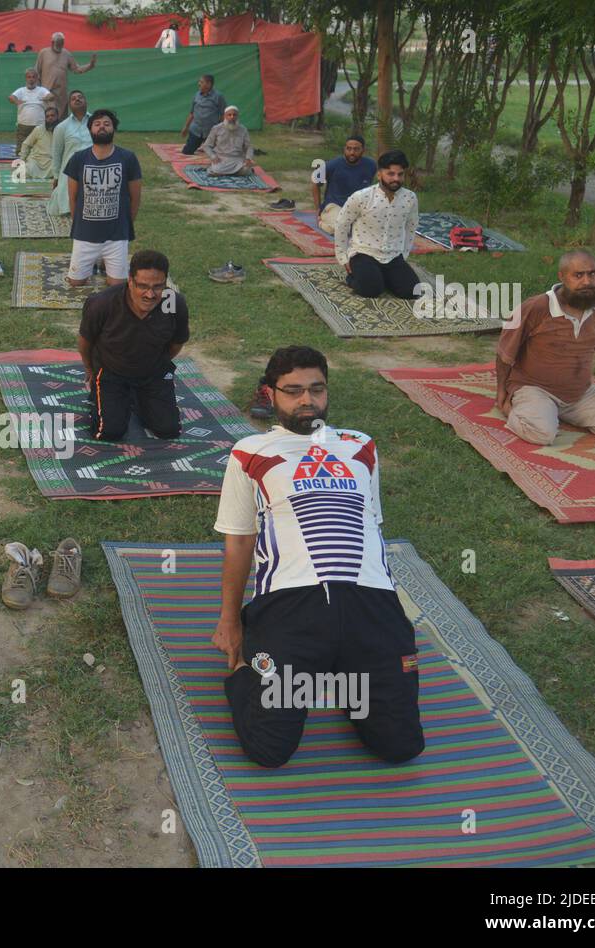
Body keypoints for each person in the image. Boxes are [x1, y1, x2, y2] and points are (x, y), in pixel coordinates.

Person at [211, 345, 425, 769]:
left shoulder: (361, 446)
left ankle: (344, 671)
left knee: (401, 746)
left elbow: (372, 526)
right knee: (269, 749)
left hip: (372, 603)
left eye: (316, 389)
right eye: (293, 391)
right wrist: (230, 620)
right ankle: (244, 673)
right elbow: (238, 541)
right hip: (292, 606)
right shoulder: (249, 452)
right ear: (269, 395)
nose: (307, 400)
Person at [495, 249, 595, 447]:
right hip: (535, 388)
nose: (586, 281)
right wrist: (501, 391)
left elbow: (590, 351)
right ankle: (519, 411)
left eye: (591, 274)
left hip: (579, 393)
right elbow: (504, 353)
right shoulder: (535, 307)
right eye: (578, 275)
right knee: (542, 435)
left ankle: (555, 412)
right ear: (562, 276)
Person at [78, 249, 187, 442]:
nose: (150, 294)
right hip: (111, 372)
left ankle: (138, 398)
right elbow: (86, 340)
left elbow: (177, 342)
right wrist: (89, 368)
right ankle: (102, 396)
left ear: (166, 283)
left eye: (158, 286)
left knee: (168, 430)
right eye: (142, 286)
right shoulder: (103, 303)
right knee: (109, 432)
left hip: (153, 373)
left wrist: (155, 362)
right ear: (130, 281)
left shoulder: (173, 303)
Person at [64, 108, 142, 286]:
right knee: (76, 283)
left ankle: (105, 262)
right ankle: (94, 262)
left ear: (113, 129)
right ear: (90, 130)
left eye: (107, 124)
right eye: (97, 124)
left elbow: (135, 197)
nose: (102, 127)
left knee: (118, 286)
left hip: (116, 235)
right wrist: (79, 226)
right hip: (85, 234)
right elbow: (73, 197)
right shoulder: (78, 158)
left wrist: (126, 224)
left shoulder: (128, 158)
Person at [333, 149, 420, 300]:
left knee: (413, 291)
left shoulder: (410, 198)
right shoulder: (362, 197)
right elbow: (342, 224)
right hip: (364, 252)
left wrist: (403, 254)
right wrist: (343, 257)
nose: (396, 179)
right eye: (390, 174)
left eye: (400, 174)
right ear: (379, 174)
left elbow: (411, 227)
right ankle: (354, 278)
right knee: (371, 290)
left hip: (393, 255)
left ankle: (382, 277)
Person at [314, 134, 376, 232]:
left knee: (377, 228)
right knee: (339, 229)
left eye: (356, 149)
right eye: (349, 148)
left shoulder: (371, 165)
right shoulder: (332, 165)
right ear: (344, 149)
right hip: (335, 206)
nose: (352, 152)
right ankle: (322, 223)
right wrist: (318, 208)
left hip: (358, 208)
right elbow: (315, 183)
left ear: (363, 150)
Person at [46, 89, 91, 217]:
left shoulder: (96, 122)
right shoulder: (62, 127)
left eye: (80, 97)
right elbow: (56, 153)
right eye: (73, 98)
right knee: (65, 202)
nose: (77, 99)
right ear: (69, 105)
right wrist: (56, 176)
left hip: (93, 167)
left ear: (86, 101)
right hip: (71, 170)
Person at [35, 32, 96, 118]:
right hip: (47, 93)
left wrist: (90, 65)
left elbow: (77, 69)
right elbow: (36, 72)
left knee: (61, 119)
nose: (60, 47)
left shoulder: (66, 54)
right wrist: (38, 91)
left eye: (61, 44)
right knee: (50, 117)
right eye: (58, 44)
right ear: (52, 43)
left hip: (61, 94)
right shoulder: (43, 53)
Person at [201, 104, 255, 176]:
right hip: (221, 159)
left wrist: (248, 158)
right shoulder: (216, 128)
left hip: (237, 159)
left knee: (245, 171)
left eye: (234, 115)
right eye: (229, 115)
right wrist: (213, 157)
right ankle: (214, 168)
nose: (232, 117)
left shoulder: (243, 129)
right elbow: (206, 146)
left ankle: (234, 171)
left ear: (237, 116)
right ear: (225, 116)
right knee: (216, 171)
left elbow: (249, 146)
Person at [180, 74, 227, 155]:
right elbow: (192, 113)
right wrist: (186, 127)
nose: (199, 83)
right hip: (196, 130)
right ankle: (202, 145)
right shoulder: (196, 95)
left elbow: (223, 114)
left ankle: (209, 145)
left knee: (218, 154)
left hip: (211, 132)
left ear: (208, 84)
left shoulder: (218, 96)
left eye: (201, 82)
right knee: (187, 152)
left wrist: (221, 130)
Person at [9, 68, 51, 150]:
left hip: (39, 125)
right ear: (26, 78)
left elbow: (51, 96)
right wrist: (16, 101)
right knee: (21, 149)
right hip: (23, 126)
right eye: (29, 77)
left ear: (37, 78)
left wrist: (46, 98)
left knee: (40, 148)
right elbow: (11, 97)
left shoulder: (42, 90)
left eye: (33, 77)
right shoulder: (21, 91)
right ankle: (21, 162)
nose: (31, 79)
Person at [19, 105, 60, 182]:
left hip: (52, 162)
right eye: (47, 116)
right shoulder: (38, 129)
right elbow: (26, 144)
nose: (50, 118)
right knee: (25, 172)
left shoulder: (62, 130)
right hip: (36, 160)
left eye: (52, 115)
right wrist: (22, 159)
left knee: (60, 173)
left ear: (57, 116)